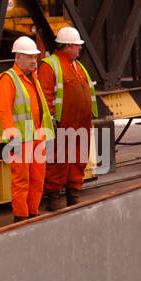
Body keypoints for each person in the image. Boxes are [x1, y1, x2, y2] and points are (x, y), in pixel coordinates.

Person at [37, 26, 97, 208]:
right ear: (69, 45)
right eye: (77, 45)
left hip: (81, 122)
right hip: (63, 123)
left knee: (78, 158)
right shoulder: (51, 65)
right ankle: (54, 197)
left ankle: (73, 194)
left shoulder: (77, 66)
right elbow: (45, 96)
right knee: (59, 159)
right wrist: (52, 120)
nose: (80, 48)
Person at [0, 36, 54, 222]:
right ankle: (21, 217)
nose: (33, 60)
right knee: (21, 180)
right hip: (21, 140)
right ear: (18, 58)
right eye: (29, 57)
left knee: (38, 178)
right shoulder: (9, 79)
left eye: (35, 57)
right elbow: (4, 111)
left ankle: (32, 213)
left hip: (37, 136)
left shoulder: (33, 77)